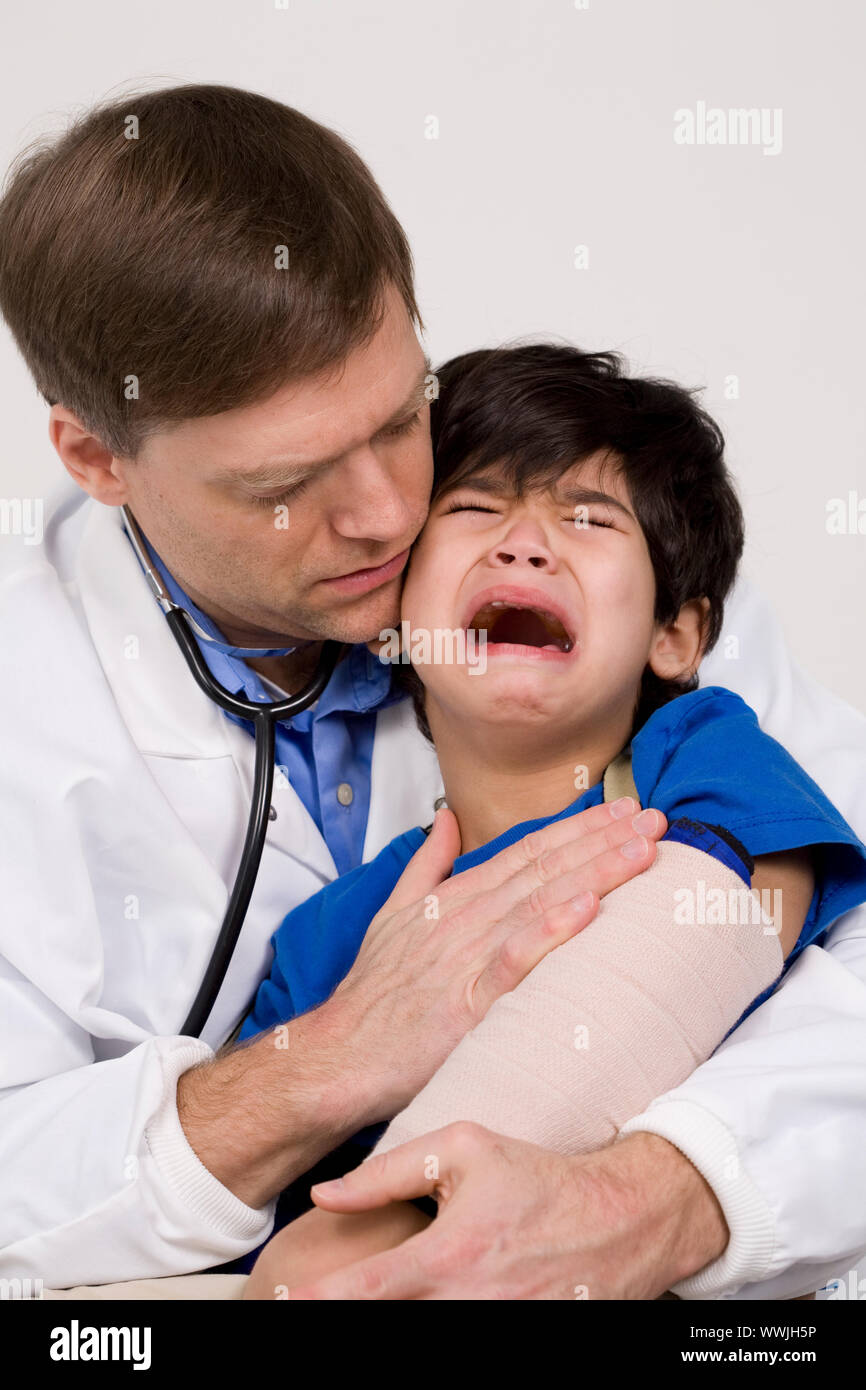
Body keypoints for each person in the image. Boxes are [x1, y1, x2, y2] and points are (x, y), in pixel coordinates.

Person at [0, 84, 864, 1302]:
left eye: (402, 416)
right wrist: (328, 1063)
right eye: (286, 484)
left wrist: (661, 1194)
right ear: (97, 458)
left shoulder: (588, 562)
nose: (388, 512)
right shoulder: (25, 714)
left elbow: (829, 913)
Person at [238, 344, 866, 1297]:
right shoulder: (332, 934)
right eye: (476, 509)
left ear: (676, 635)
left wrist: (400, 1226)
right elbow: (268, 1196)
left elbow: (728, 915)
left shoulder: (696, 756)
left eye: (588, 519)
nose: (524, 543)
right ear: (395, 617)